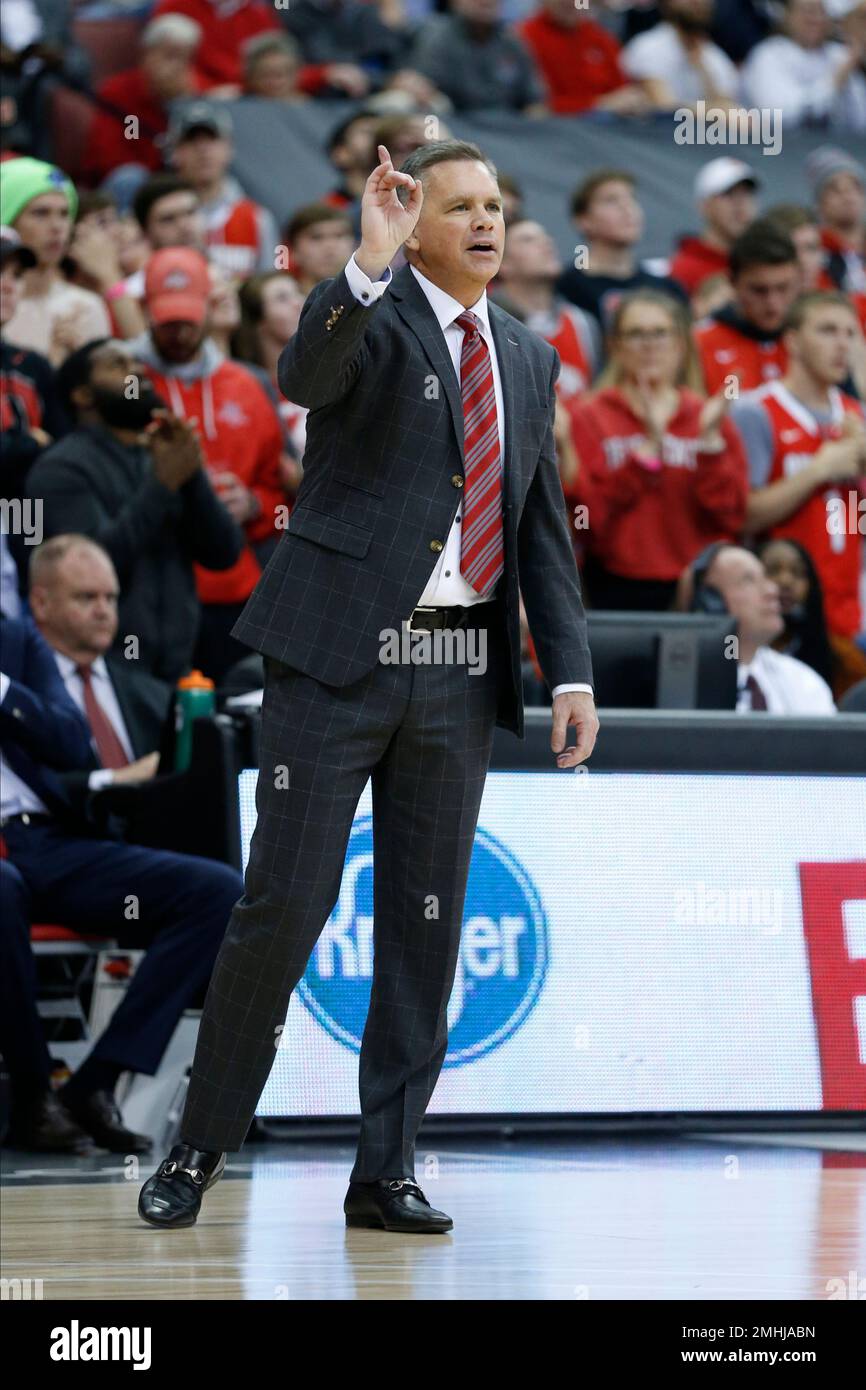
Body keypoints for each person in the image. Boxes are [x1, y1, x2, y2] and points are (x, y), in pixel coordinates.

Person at [138, 139, 598, 1234]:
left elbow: (540, 531)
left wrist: (567, 668)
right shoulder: (372, 314)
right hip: (337, 656)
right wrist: (365, 261)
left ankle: (383, 1168)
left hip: (458, 668)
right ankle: (198, 1146)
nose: (485, 221)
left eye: (495, 204)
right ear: (415, 220)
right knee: (283, 907)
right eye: (460, 206)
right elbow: (302, 378)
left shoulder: (529, 357)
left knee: (425, 927)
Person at [0, 612, 244, 1153]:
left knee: (216, 891)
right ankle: (32, 1096)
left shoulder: (15, 640)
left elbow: (70, 741)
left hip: (44, 839)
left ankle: (94, 1082)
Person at [26, 336, 243, 682]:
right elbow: (94, 565)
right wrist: (163, 484)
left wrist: (190, 473)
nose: (136, 372)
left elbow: (224, 552)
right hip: (105, 669)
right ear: (82, 395)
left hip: (179, 669)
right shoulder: (59, 469)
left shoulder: (158, 455)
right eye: (117, 365)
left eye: (137, 364)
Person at [126, 248, 285, 682]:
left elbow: (282, 491)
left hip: (235, 590)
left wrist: (253, 504)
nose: (178, 333)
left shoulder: (249, 384)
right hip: (149, 592)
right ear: (143, 309)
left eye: (187, 320)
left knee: (235, 721)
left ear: (210, 307)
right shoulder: (122, 380)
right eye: (166, 321)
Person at [570, 288, 748, 610]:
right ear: (615, 346)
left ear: (680, 344)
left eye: (660, 333)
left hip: (697, 587)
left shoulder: (706, 416)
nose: (650, 344)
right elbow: (586, 521)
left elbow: (730, 519)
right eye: (636, 334)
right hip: (614, 587)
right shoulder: (590, 416)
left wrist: (710, 448)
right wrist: (644, 457)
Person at [732, 291, 866, 640]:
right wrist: (818, 470)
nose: (842, 345)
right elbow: (744, 515)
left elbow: (856, 519)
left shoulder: (856, 415)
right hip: (780, 612)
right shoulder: (755, 410)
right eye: (827, 331)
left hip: (847, 611)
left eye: (850, 333)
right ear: (792, 340)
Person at [684, 542, 837, 712]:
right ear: (712, 603)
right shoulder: (682, 686)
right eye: (748, 580)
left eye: (765, 578)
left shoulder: (804, 682)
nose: (772, 590)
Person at [0, 158, 111, 366]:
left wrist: (84, 366)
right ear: (6, 219)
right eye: (40, 213)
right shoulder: (5, 306)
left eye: (64, 214)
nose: (57, 226)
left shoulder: (86, 308)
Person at [82, 12, 207, 185]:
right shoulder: (121, 94)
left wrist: (184, 104)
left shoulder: (196, 90)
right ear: (147, 55)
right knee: (131, 177)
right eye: (170, 56)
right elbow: (112, 158)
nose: (179, 67)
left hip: (181, 181)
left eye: (187, 59)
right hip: (136, 182)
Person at [556, 168, 686, 330]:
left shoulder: (666, 288)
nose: (627, 208)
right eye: (611, 200)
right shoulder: (565, 288)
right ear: (583, 220)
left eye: (632, 198)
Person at [166, 102, 280, 281]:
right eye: (191, 141)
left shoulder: (257, 219)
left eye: (211, 139)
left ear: (229, 148)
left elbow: (270, 287)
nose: (202, 150)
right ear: (174, 153)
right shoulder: (163, 217)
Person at [694, 219, 802, 394]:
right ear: (732, 283)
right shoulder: (699, 343)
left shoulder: (817, 337)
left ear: (798, 280)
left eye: (783, 288)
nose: (772, 303)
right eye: (759, 290)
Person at [755, 535, 866, 701]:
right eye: (772, 571)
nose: (785, 581)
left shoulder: (843, 660)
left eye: (798, 573)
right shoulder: (732, 651)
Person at [517, 0, 664, 115]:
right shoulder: (523, 38)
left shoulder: (601, 39)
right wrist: (599, 104)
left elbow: (623, 91)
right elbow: (536, 108)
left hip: (609, 132)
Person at [741, 0, 866, 130]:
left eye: (822, 12)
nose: (816, 19)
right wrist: (836, 80)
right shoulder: (768, 55)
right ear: (788, 16)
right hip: (780, 147)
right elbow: (781, 116)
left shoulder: (840, 54)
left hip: (841, 146)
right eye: (808, 11)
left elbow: (860, 120)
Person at [408, 0, 546, 113]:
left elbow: (534, 99)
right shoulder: (437, 36)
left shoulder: (512, 41)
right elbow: (424, 86)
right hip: (457, 123)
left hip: (507, 128)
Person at [620, 0, 741, 110]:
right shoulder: (647, 46)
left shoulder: (716, 56)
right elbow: (665, 109)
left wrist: (703, 71)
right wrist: (718, 112)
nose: (697, 2)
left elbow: (728, 106)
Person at [669, 158, 760, 301]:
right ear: (704, 205)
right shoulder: (682, 271)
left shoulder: (761, 264)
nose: (741, 204)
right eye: (729, 194)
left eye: (747, 194)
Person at [282, 203, 356, 296]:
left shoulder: (374, 300)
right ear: (293, 250)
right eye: (317, 237)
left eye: (339, 235)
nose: (330, 246)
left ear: (354, 245)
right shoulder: (278, 305)